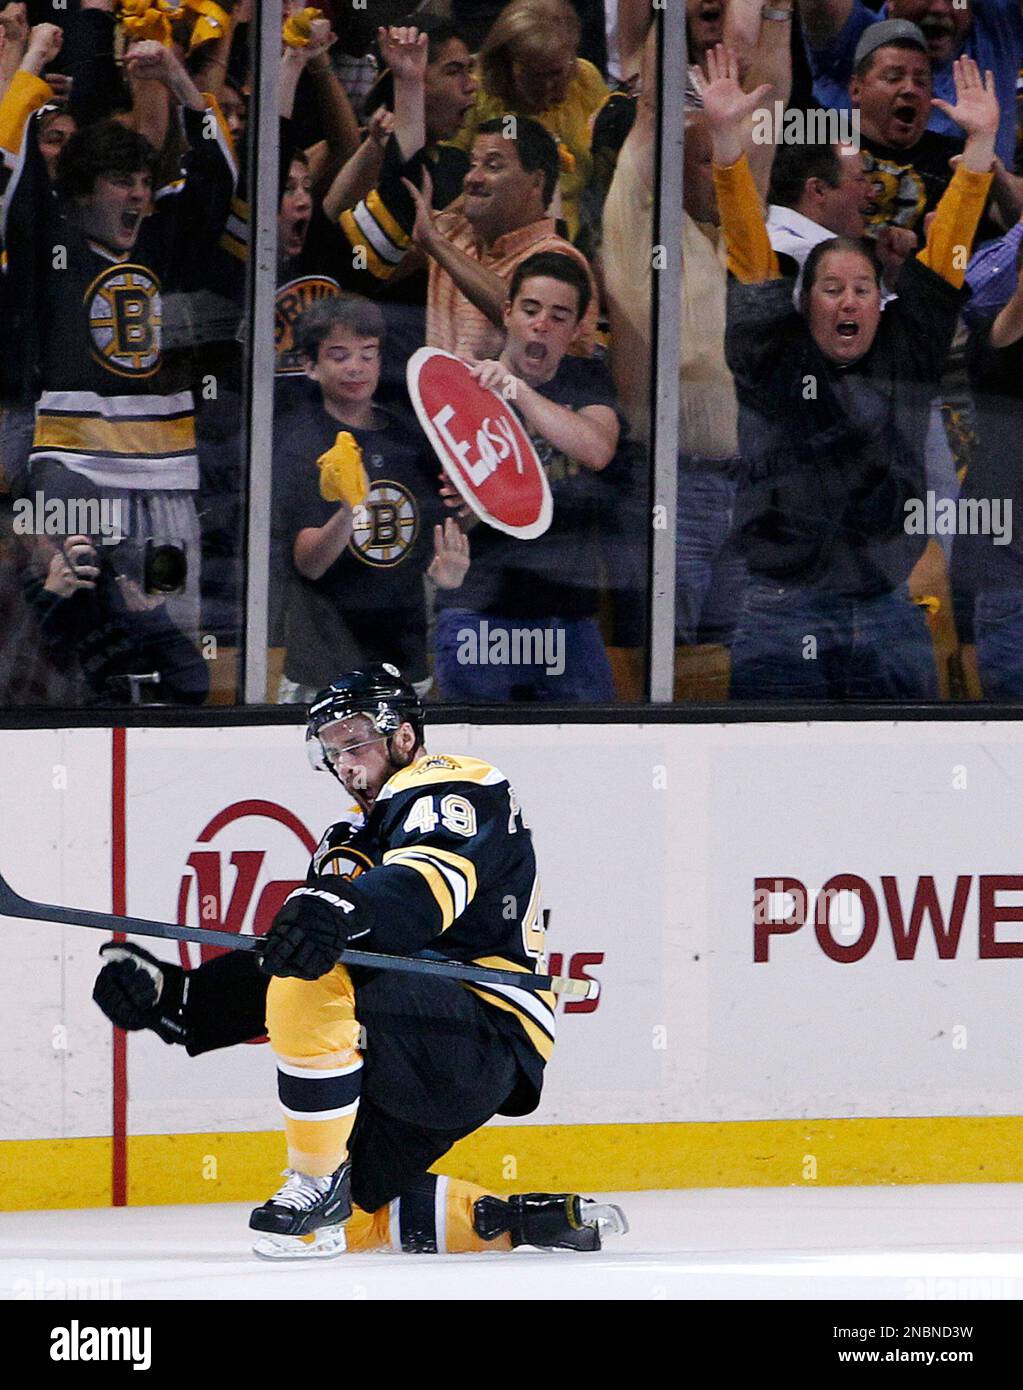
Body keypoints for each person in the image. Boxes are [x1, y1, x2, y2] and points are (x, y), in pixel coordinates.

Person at [91, 664, 628, 1257]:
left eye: (355, 740)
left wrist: (337, 915)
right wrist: (180, 1001)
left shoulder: (457, 783)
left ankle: (316, 1180)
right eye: (332, 749)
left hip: (475, 1029)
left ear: (402, 735)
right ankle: (519, 1222)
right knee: (338, 1227)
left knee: (317, 962)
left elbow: (421, 890)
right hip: (417, 1056)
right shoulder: (351, 832)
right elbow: (315, 943)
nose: (345, 762)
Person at [705, 45, 995, 699]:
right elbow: (750, 255)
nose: (847, 300)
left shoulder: (905, 350)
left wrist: (978, 149)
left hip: (889, 610)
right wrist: (727, 147)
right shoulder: (769, 353)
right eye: (830, 287)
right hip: (781, 610)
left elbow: (944, 257)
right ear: (803, 302)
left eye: (862, 287)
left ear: (879, 302)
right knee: (768, 787)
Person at [433, 251, 627, 703]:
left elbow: (596, 448)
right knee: (476, 764)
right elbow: (448, 517)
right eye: (530, 310)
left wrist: (516, 391)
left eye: (559, 316)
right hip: (481, 614)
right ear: (507, 313)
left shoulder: (587, 381)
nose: (541, 325)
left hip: (568, 618)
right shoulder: (462, 386)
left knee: (590, 760)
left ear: (579, 328)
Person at [271, 294, 469, 701]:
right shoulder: (298, 442)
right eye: (339, 355)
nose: (356, 367)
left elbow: (443, 533)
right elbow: (309, 563)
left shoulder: (412, 438)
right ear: (310, 366)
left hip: (403, 661)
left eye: (368, 354)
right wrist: (348, 509)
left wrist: (448, 571)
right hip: (324, 668)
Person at [452, 0, 610, 244]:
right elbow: (449, 188)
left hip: (570, 244)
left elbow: (612, 173)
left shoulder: (586, 80)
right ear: (507, 64)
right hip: (485, 238)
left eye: (556, 72)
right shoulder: (476, 90)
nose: (548, 88)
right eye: (534, 75)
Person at [797, 0, 1023, 168]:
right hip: (853, 222)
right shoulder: (853, 39)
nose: (940, 8)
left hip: (982, 217)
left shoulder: (995, 32)